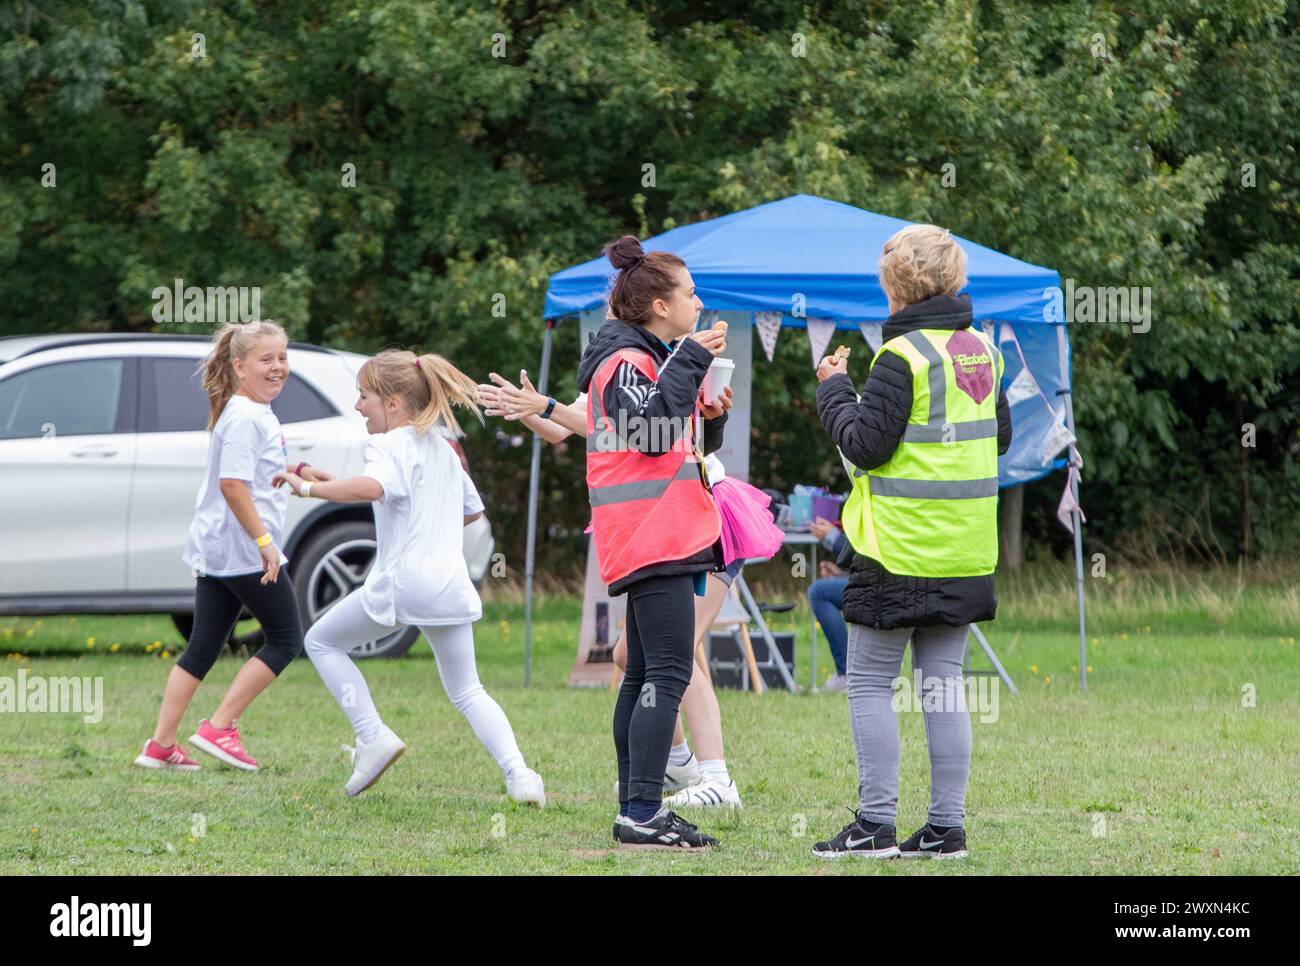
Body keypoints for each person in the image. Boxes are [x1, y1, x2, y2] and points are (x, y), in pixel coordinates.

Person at [480, 369, 780, 809]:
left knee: (679, 650)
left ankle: (717, 779)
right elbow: (561, 430)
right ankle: (679, 762)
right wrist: (523, 408)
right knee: (629, 656)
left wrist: (545, 405)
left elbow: (616, 432)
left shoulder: (654, 363)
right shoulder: (612, 371)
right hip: (666, 518)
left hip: (706, 512)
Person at [810, 224, 1012, 860]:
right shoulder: (981, 348)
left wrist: (833, 389)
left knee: (869, 681)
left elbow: (866, 445)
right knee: (943, 685)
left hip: (898, 548)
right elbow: (999, 437)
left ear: (897, 287)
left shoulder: (902, 356)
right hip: (966, 548)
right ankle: (945, 828)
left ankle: (874, 824)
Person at [273, 349, 545, 806]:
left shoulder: (385, 444)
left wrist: (308, 487)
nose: (358, 406)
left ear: (394, 403)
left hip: (404, 584)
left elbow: (374, 487)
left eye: (364, 397)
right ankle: (521, 776)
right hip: (448, 585)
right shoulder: (443, 448)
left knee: (320, 641)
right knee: (468, 689)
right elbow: (471, 511)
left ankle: (372, 736)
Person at [575, 234, 729, 848]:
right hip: (653, 536)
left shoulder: (643, 360)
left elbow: (671, 447)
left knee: (643, 674)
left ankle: (633, 806)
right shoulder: (625, 362)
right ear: (660, 307)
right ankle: (642, 811)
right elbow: (646, 433)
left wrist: (710, 422)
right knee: (666, 674)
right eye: (690, 294)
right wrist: (690, 358)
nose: (699, 303)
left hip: (658, 533)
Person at [135, 320, 317, 773]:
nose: (278, 368)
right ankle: (220, 727)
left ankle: (161, 745)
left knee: (203, 647)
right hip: (243, 551)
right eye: (266, 360)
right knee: (286, 640)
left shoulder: (250, 412)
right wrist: (265, 544)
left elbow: (254, 470)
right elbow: (232, 485)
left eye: (282, 358)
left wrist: (297, 471)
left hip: (220, 550)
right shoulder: (245, 418)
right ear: (239, 367)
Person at [807, 516, 850, 691]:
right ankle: (847, 672)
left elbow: (865, 552)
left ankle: (846, 673)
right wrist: (843, 574)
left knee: (819, 593)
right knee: (821, 590)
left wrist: (833, 536)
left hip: (887, 583)